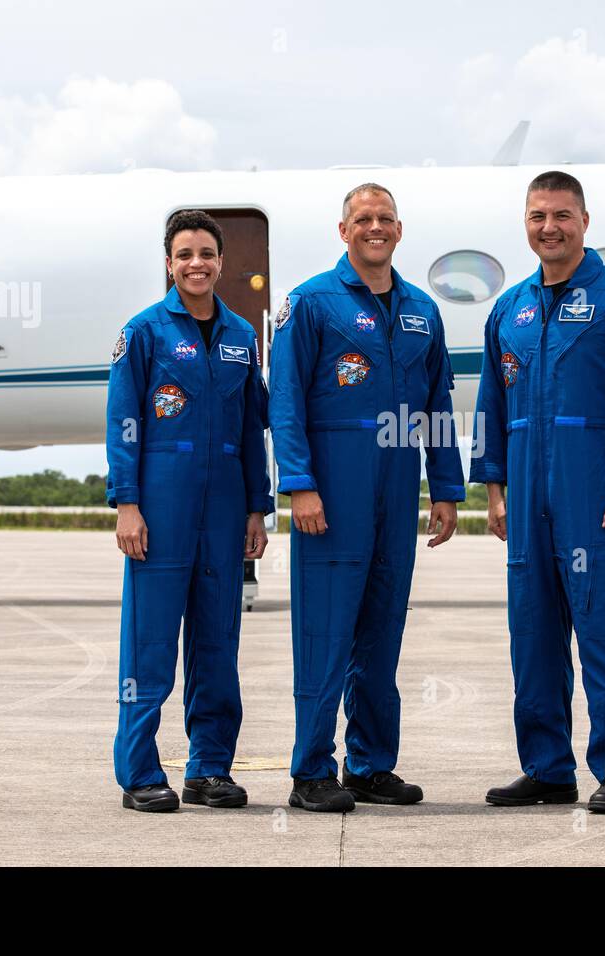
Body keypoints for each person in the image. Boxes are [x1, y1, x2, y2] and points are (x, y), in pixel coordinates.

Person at [471, 171, 605, 814]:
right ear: (525, 224)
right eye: (537, 217)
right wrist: (494, 485)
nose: (549, 227)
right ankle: (548, 768)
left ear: (585, 220)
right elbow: (492, 404)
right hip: (528, 498)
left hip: (597, 496)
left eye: (561, 215)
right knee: (531, 634)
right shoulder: (511, 308)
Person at [269, 183, 464, 813]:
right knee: (325, 633)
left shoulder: (421, 311)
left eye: (384, 219)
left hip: (398, 486)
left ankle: (371, 764)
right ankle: (310, 771)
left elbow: (438, 404)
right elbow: (286, 401)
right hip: (333, 487)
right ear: (343, 229)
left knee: (382, 631)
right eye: (362, 219)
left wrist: (446, 488)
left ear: (399, 231)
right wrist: (298, 484)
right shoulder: (310, 303)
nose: (374, 228)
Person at [105, 210, 272, 812]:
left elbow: (253, 431)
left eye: (207, 253)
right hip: (161, 503)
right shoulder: (143, 332)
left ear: (221, 262)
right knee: (149, 645)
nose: (197, 264)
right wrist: (127, 504)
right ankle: (141, 773)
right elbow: (124, 424)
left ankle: (209, 769)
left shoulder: (240, 339)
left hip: (226, 507)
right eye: (185, 254)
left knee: (217, 644)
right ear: (169, 263)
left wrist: (258, 507)